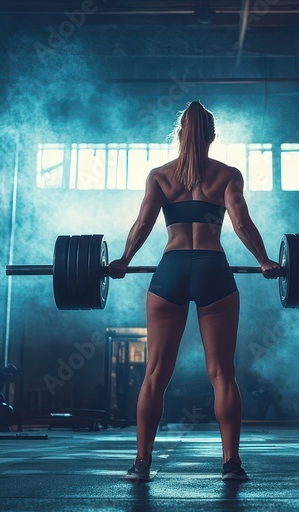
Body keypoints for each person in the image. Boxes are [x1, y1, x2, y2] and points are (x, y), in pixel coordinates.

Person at [108, 101, 280, 482]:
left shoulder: (160, 176)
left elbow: (142, 224)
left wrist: (122, 260)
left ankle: (141, 463)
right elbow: (241, 222)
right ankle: (231, 464)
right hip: (212, 268)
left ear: (180, 133)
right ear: (212, 136)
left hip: (170, 270)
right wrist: (264, 260)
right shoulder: (227, 175)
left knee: (155, 373)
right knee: (222, 373)